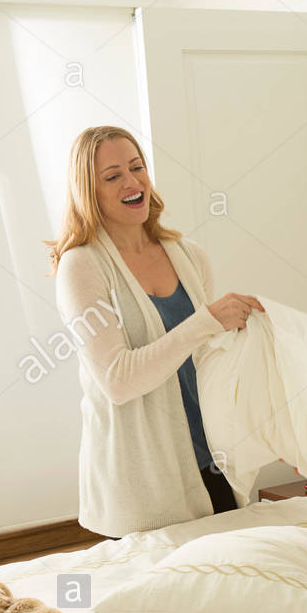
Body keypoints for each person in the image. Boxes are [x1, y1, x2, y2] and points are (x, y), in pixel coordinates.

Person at [48, 125, 264, 538]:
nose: (132, 182)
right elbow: (118, 381)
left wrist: (277, 432)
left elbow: (215, 363)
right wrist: (205, 321)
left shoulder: (189, 256)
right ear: (87, 191)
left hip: (212, 463)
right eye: (112, 176)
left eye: (137, 167)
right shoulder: (81, 267)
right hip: (141, 484)